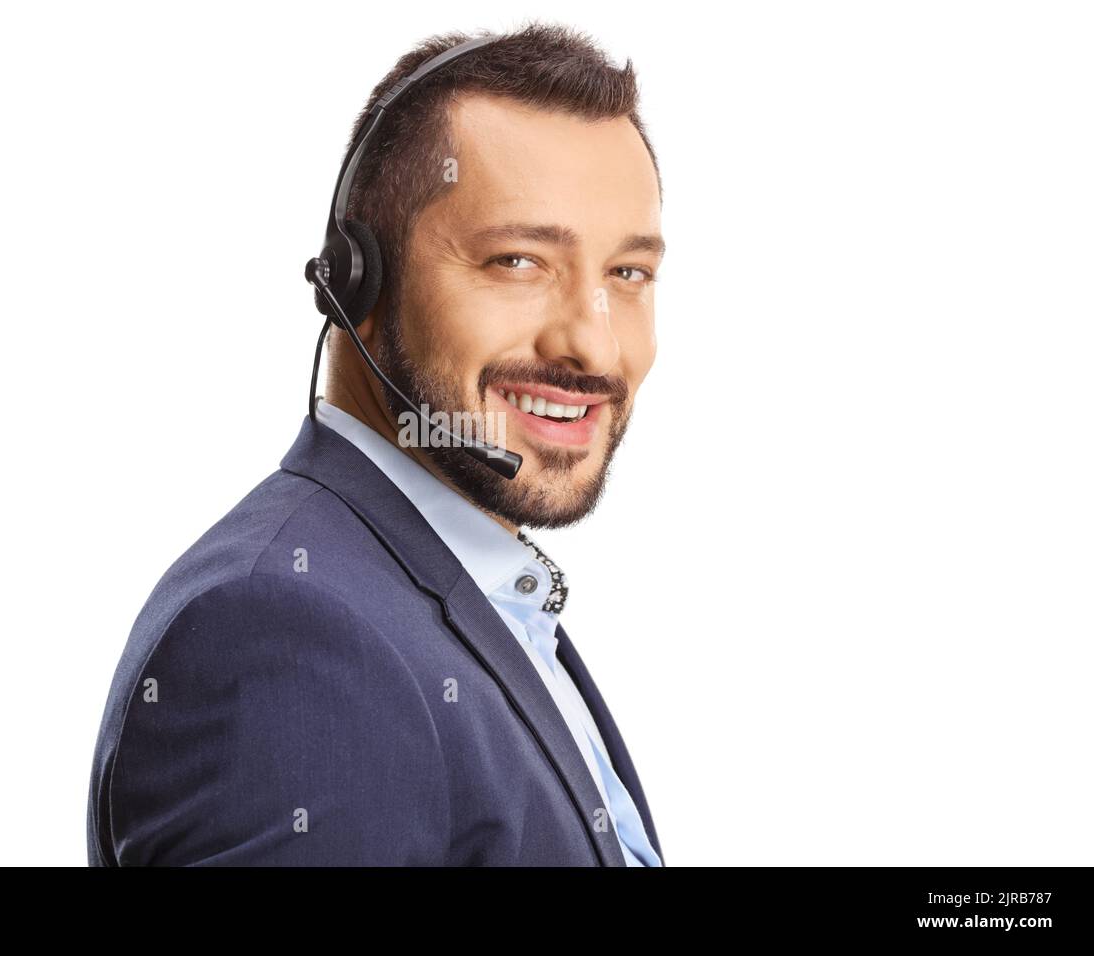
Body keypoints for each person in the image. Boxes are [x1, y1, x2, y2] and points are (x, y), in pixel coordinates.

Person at [87, 21, 665, 866]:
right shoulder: (284, 635)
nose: (594, 344)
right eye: (517, 261)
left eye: (628, 274)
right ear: (355, 279)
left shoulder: (479, 598)